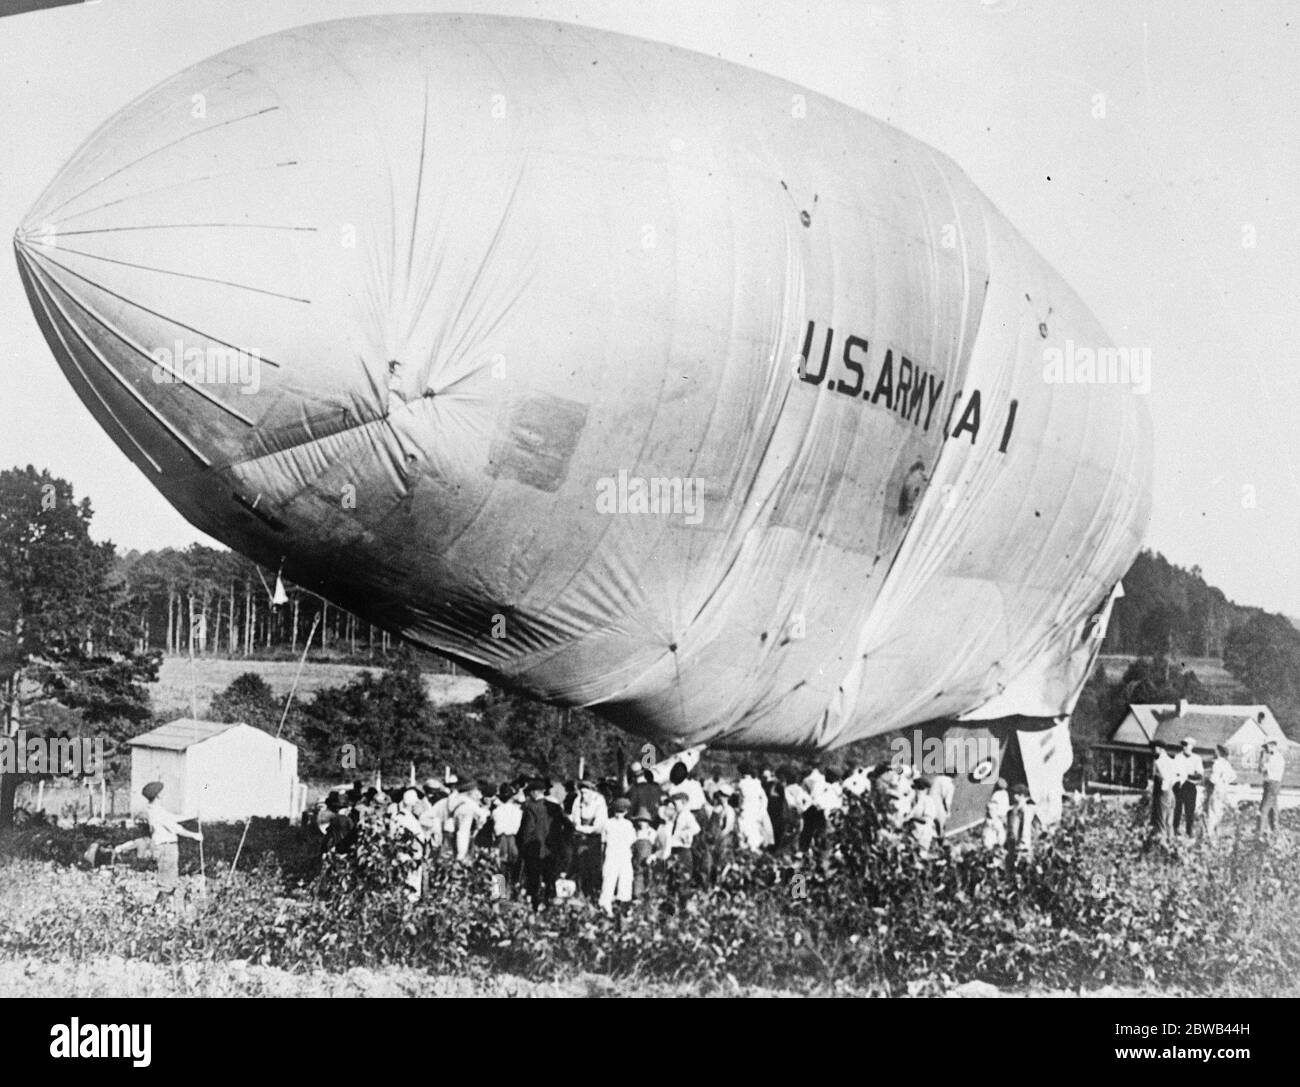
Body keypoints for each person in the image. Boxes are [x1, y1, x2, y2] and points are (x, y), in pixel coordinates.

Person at [135, 780, 202, 905]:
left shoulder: (155, 809)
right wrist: (195, 835)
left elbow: (172, 818)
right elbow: (175, 828)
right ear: (159, 795)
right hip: (166, 848)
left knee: (169, 882)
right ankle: (156, 911)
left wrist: (192, 815)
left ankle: (160, 910)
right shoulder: (158, 811)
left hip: (165, 848)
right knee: (167, 884)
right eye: (162, 792)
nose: (164, 794)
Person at [518, 779, 557, 906]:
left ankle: (501, 899)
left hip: (530, 847)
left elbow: (526, 831)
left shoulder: (529, 808)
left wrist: (523, 847)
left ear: (534, 793)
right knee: (547, 877)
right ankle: (547, 902)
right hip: (549, 848)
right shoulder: (553, 806)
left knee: (501, 871)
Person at [568, 779, 609, 898]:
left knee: (594, 866)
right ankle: (580, 891)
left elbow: (599, 826)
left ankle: (592, 893)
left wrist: (583, 828)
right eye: (582, 792)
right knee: (580, 865)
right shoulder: (578, 800)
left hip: (594, 839)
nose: (583, 795)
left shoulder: (599, 801)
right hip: (580, 838)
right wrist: (579, 827)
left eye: (586, 792)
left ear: (591, 792)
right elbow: (576, 820)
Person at [599, 797, 637, 913]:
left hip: (617, 855)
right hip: (618, 855)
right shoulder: (626, 824)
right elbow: (632, 842)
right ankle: (611, 906)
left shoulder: (610, 823)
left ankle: (615, 906)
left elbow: (603, 843)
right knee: (616, 880)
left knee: (618, 880)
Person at [661, 790, 700, 881]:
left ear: (683, 803)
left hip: (682, 848)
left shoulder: (687, 815)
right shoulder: (677, 815)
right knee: (673, 873)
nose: (675, 806)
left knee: (682, 874)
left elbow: (696, 828)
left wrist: (685, 834)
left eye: (676, 804)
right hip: (674, 847)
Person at [492, 782, 524, 889]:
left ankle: (499, 892)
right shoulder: (518, 811)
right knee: (514, 865)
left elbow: (494, 826)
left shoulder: (497, 811)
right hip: (513, 838)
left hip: (501, 838)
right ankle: (513, 889)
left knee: (499, 865)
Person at [736, 765, 773, 852]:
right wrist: (762, 811)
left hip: (747, 811)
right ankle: (752, 850)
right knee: (752, 831)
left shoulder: (742, 783)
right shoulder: (756, 783)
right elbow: (764, 799)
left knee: (744, 831)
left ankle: (748, 850)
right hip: (754, 811)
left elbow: (740, 799)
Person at [1202, 744, 1236, 839]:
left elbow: (1213, 779)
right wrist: (1225, 780)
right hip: (1224, 789)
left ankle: (1210, 835)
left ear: (1219, 752)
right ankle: (1217, 833)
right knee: (1219, 811)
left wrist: (1209, 778)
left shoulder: (1217, 763)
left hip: (1216, 789)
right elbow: (1233, 776)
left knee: (1212, 812)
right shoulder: (1226, 763)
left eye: (1216, 751)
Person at [1172, 738, 1203, 836]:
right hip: (1179, 785)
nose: (1185, 747)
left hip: (1190, 785)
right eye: (1184, 745)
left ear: (1192, 746)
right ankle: (1175, 829)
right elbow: (1175, 771)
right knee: (1177, 808)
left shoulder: (1197, 758)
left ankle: (1189, 830)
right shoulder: (1178, 757)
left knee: (1190, 809)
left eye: (1187, 745)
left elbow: (1199, 774)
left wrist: (1188, 775)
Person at [1149, 742, 1178, 840]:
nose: (1152, 750)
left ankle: (1162, 842)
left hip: (1163, 793)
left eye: (1154, 748)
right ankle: (1171, 840)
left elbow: (1165, 778)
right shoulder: (1171, 760)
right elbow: (1175, 777)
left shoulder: (1159, 762)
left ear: (1160, 748)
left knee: (1160, 819)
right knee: (1169, 820)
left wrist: (1163, 790)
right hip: (1170, 792)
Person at [1257, 739, 1285, 838]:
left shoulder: (1275, 758)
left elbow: (1261, 769)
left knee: (1263, 810)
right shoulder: (1276, 757)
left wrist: (1262, 757)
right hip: (1272, 784)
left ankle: (1260, 833)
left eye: (1266, 747)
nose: (1266, 749)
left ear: (1272, 745)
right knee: (1273, 809)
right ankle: (1275, 832)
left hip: (1271, 784)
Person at [1006, 783, 1040, 865]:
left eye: (1016, 794)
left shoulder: (1028, 810)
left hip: (1024, 845)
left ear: (1022, 795)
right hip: (1014, 845)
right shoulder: (1014, 810)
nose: (1014, 796)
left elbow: (1027, 827)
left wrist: (1023, 842)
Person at [907, 777, 941, 854]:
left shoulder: (928, 800)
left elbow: (926, 820)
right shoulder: (911, 798)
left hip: (922, 834)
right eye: (917, 788)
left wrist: (912, 819)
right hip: (912, 832)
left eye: (920, 789)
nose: (918, 791)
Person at [631, 809, 657, 897]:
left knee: (649, 875)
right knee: (638, 875)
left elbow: (656, 847)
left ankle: (648, 896)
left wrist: (652, 857)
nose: (641, 823)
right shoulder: (635, 832)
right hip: (637, 859)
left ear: (648, 822)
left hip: (648, 859)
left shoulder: (652, 832)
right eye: (640, 821)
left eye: (644, 821)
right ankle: (637, 895)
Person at [981, 778, 1010, 850]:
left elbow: (992, 807)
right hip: (1002, 817)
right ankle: (999, 845)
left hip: (996, 817)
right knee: (1000, 832)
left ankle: (990, 846)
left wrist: (991, 815)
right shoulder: (1005, 793)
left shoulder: (996, 794)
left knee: (990, 832)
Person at [930, 773, 955, 839]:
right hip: (937, 804)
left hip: (928, 799)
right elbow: (947, 802)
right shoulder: (950, 785)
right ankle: (939, 834)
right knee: (942, 818)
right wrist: (948, 812)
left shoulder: (937, 778)